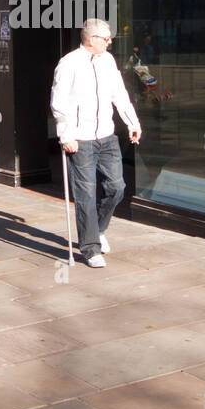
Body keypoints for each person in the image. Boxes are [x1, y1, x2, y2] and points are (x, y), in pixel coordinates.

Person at [50, 18, 142, 268]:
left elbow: (119, 94)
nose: (110, 41)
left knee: (117, 187)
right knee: (86, 194)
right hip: (80, 138)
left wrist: (132, 122)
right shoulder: (69, 64)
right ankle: (90, 248)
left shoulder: (108, 61)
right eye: (106, 38)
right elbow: (58, 102)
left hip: (106, 136)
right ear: (92, 40)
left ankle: (98, 229)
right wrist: (66, 135)